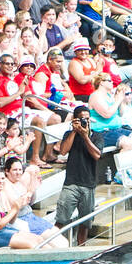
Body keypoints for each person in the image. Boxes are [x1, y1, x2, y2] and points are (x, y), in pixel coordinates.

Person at [54, 104, 102, 246]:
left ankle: (81, 248)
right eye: (81, 119)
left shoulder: (97, 136)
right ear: (74, 120)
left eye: (87, 119)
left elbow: (97, 155)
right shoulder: (69, 135)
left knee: (85, 223)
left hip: (89, 184)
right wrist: (75, 131)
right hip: (71, 183)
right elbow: (63, 151)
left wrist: (85, 136)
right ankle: (54, 245)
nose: (84, 122)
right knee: (61, 220)